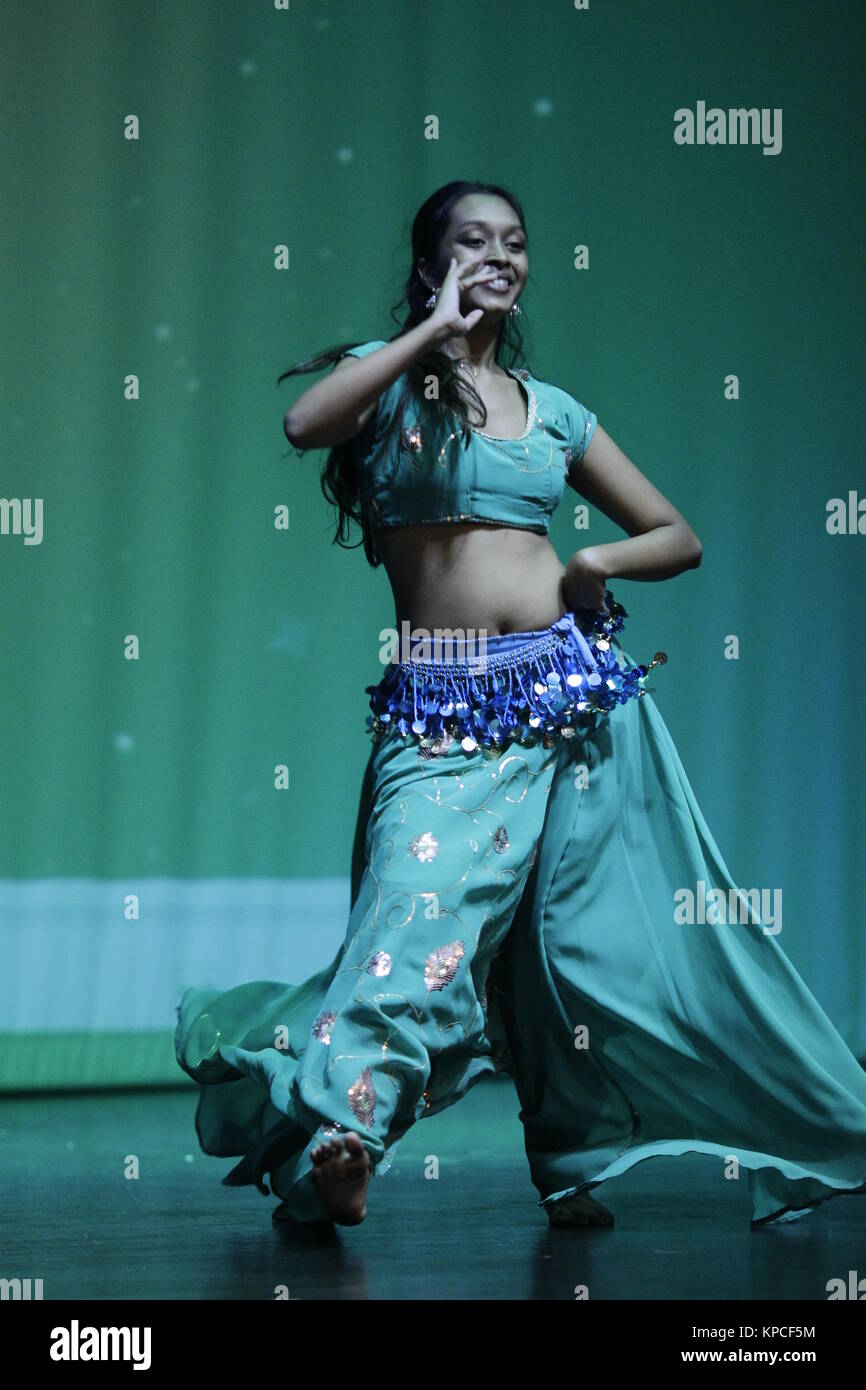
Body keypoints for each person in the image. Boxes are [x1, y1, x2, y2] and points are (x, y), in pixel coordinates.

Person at [175, 180, 866, 1230]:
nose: (497, 256)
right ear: (430, 262)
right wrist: (428, 335)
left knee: (572, 950)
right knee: (413, 916)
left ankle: (571, 1151)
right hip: (441, 708)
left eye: (513, 242)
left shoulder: (554, 410)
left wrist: (593, 561)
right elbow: (303, 419)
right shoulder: (393, 383)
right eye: (471, 242)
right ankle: (338, 1134)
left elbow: (674, 534)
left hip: (571, 702)